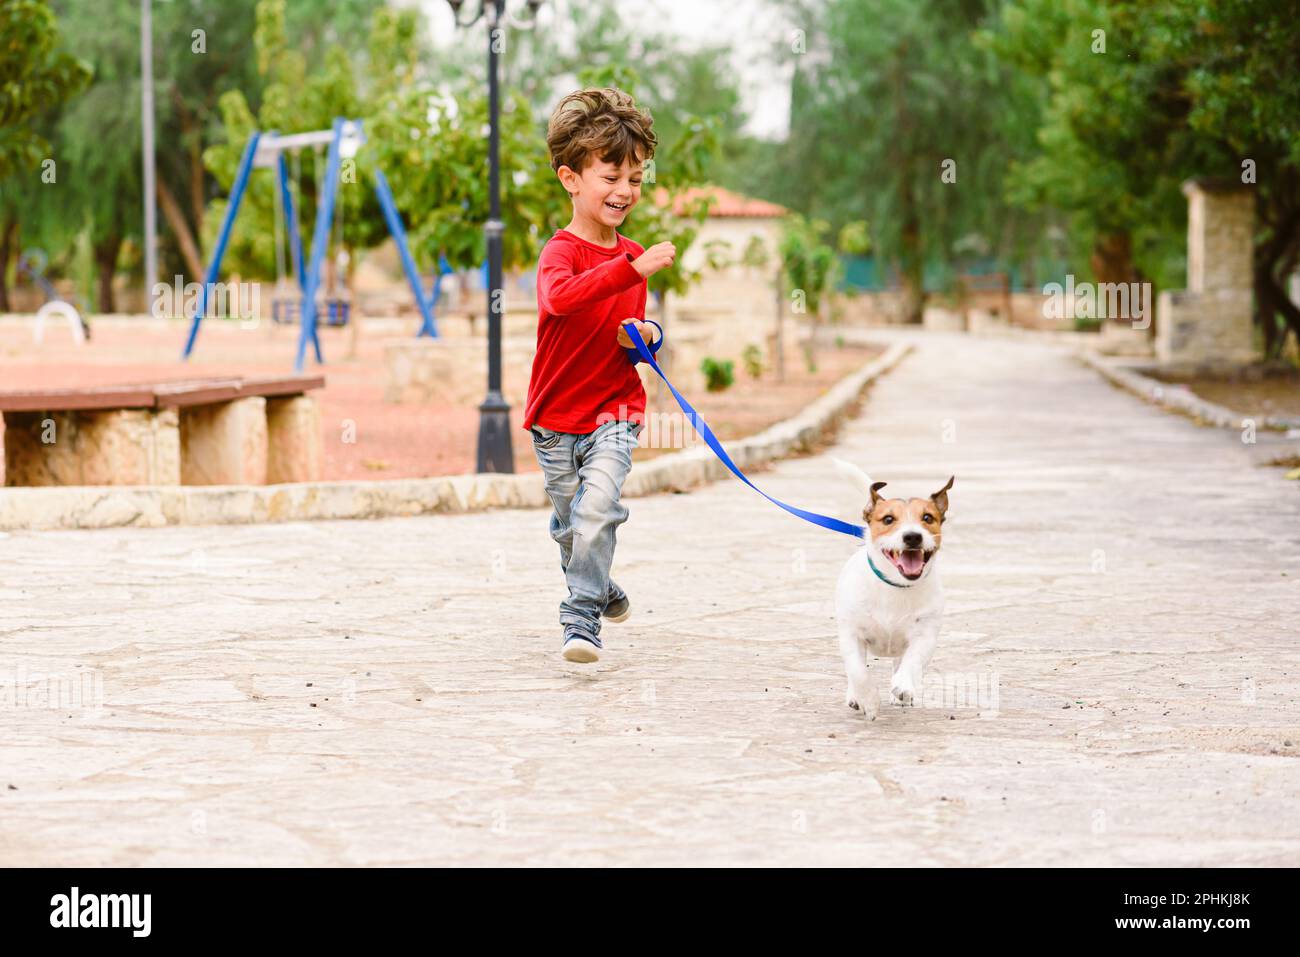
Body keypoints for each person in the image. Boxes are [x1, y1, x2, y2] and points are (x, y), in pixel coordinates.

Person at [522, 87, 677, 663]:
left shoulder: (631, 257)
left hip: (615, 410)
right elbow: (562, 300)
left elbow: (627, 325)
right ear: (570, 179)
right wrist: (627, 268)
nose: (624, 191)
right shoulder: (558, 252)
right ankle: (601, 584)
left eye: (635, 179)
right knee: (570, 526)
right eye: (611, 176)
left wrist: (648, 337)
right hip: (556, 417)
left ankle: (580, 617)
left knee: (596, 511)